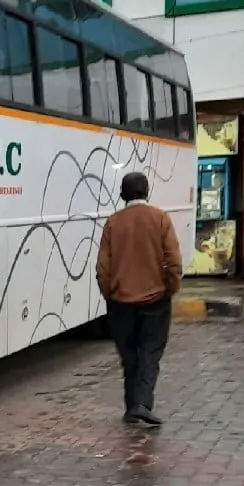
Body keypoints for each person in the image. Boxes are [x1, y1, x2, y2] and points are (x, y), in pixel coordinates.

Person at [96, 172, 183, 427]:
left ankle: (131, 406)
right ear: (147, 192)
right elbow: (174, 262)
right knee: (149, 353)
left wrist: (109, 293)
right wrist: (170, 288)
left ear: (122, 195)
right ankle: (142, 404)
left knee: (129, 356)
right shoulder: (160, 219)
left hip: (120, 303)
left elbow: (103, 267)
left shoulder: (113, 223)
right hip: (155, 300)